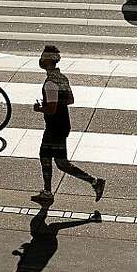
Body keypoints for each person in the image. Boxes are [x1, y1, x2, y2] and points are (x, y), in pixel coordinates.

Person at [34, 45, 104, 204]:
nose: (41, 59)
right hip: (62, 124)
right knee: (52, 159)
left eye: (43, 57)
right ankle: (48, 191)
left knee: (57, 161)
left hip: (54, 127)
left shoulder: (50, 82)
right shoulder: (62, 78)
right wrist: (57, 102)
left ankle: (93, 182)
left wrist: (39, 108)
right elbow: (70, 100)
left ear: (47, 61)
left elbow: (51, 109)